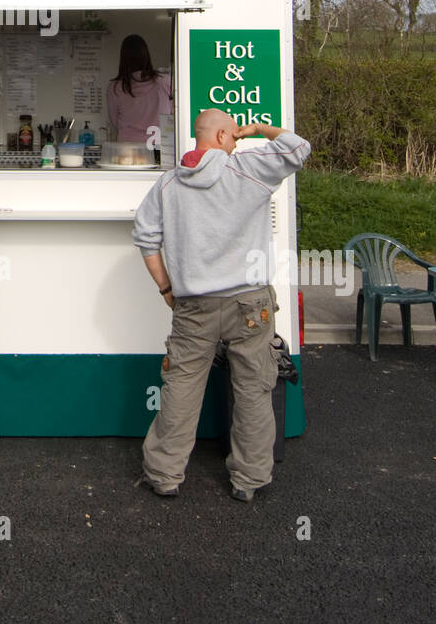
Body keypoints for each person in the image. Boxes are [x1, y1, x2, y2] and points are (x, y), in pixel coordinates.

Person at [132, 110, 310, 502]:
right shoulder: (249, 170)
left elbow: (145, 238)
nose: (236, 141)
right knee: (252, 389)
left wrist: (166, 288)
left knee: (180, 387)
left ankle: (164, 474)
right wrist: (259, 129)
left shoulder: (168, 184)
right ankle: (249, 480)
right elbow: (299, 148)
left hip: (193, 305)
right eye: (233, 135)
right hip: (250, 304)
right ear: (225, 135)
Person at [107, 34, 173, 143]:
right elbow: (173, 113)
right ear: (146, 55)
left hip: (127, 146)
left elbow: (115, 122)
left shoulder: (115, 87)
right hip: (158, 145)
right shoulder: (165, 81)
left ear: (123, 58)